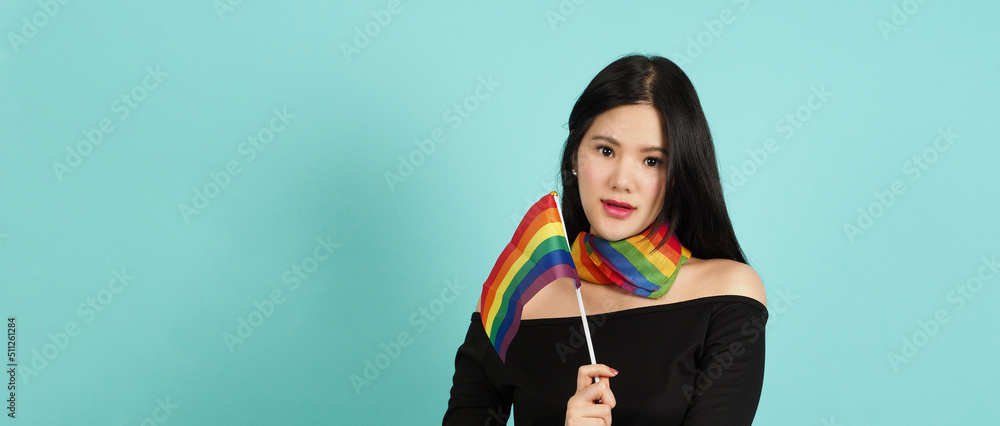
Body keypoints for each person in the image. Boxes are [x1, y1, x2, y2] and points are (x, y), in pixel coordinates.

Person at [443, 54, 768, 425]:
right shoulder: (516, 298)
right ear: (574, 159)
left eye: (652, 161)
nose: (621, 180)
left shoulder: (726, 293)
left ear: (678, 176)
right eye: (606, 150)